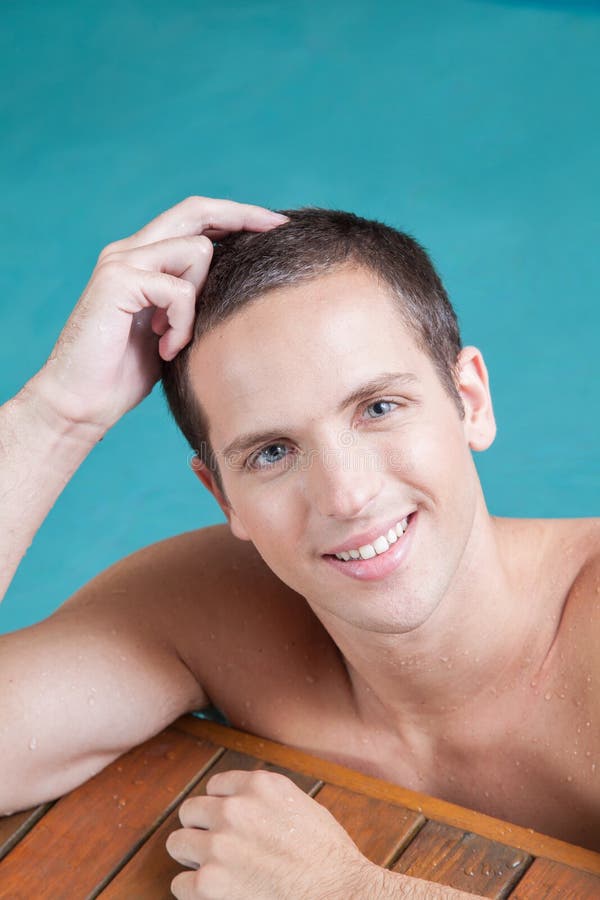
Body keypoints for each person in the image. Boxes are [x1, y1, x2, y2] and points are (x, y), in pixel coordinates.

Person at [0, 196, 597, 899]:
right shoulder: (211, 609)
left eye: (378, 408)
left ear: (470, 398)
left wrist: (349, 891)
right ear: (224, 498)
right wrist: (58, 415)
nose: (345, 496)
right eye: (273, 453)